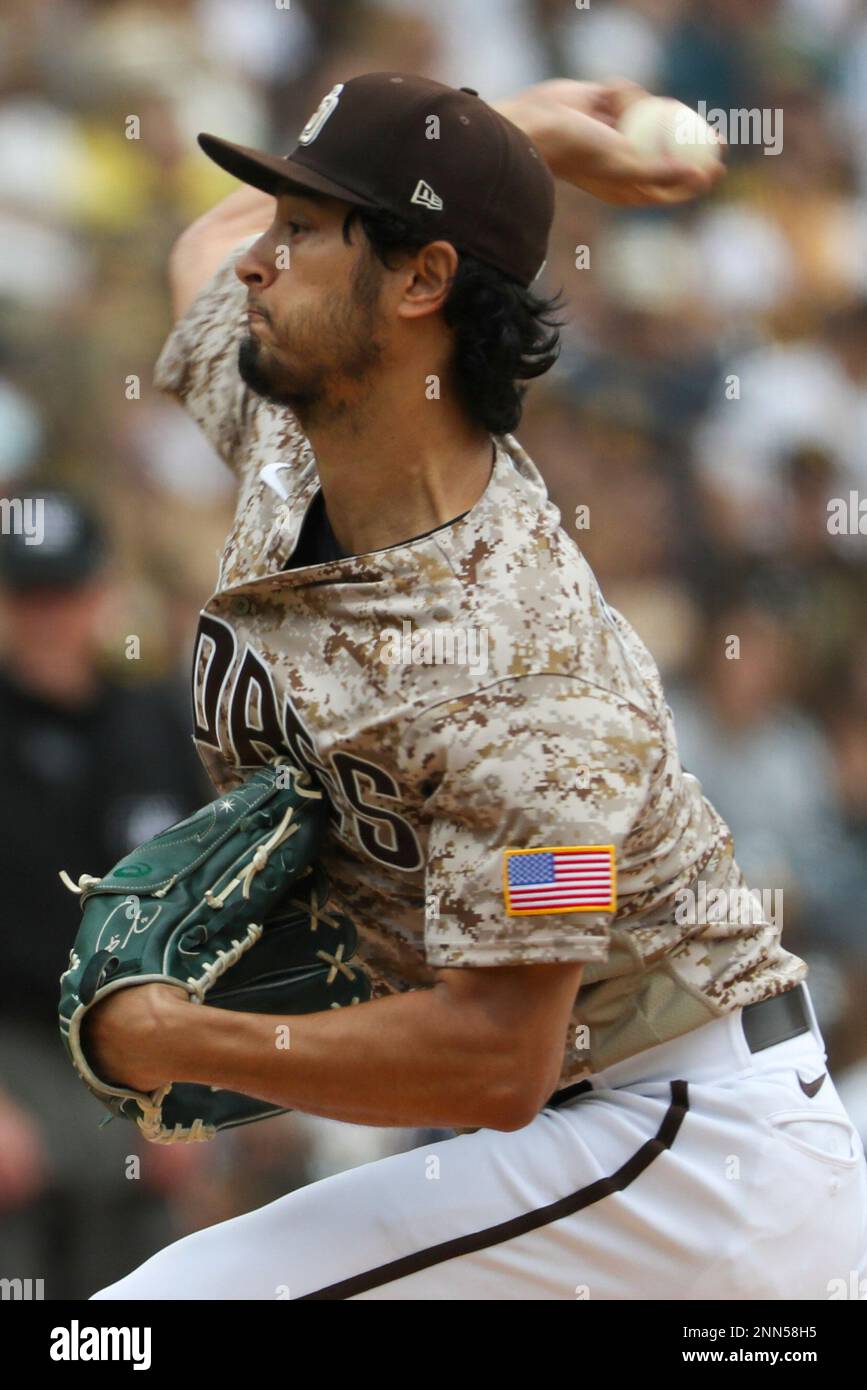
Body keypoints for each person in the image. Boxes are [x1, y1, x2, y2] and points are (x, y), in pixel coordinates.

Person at [88, 73, 865, 1300]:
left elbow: (498, 1056)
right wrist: (511, 131)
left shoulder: (528, 668)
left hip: (687, 1157)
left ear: (419, 279)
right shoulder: (303, 440)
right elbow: (201, 246)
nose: (258, 260)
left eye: (302, 230)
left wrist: (170, 1035)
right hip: (590, 1132)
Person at [0, 489, 211, 1296]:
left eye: (64, 594)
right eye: (29, 597)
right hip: (14, 1044)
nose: (48, 618)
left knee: (138, 1284)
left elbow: (201, 910)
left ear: (98, 594)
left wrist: (187, 1084)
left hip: (136, 1051)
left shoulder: (150, 728)